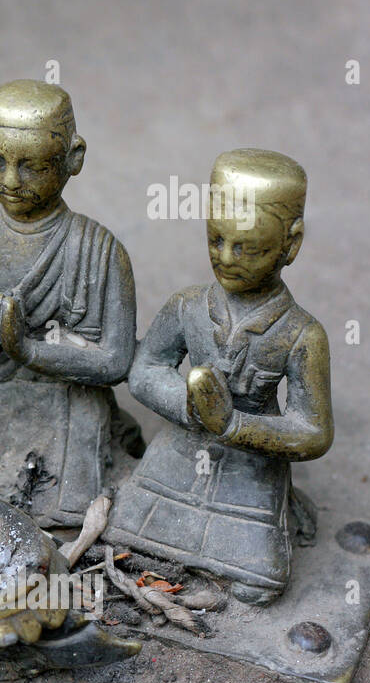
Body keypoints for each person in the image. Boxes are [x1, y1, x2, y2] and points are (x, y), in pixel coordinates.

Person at [106, 149, 333, 604]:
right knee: (126, 537)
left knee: (257, 582)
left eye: (248, 247)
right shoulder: (188, 305)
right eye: (215, 240)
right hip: (182, 443)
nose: (226, 258)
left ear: (291, 245)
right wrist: (187, 406)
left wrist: (235, 426)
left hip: (252, 458)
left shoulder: (302, 334)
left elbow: (313, 431)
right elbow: (144, 368)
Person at [0, 80, 138, 527]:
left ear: (73, 158)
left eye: (33, 166)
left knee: (66, 503)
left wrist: (30, 351)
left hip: (66, 392)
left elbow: (116, 360)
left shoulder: (99, 249)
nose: (10, 181)